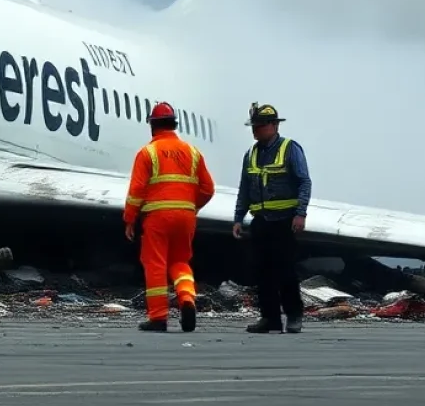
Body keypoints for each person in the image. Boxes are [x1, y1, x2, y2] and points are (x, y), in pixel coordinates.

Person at [124, 101, 216, 332]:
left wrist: (129, 218)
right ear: (174, 124)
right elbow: (208, 188)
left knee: (155, 264)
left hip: (157, 218)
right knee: (180, 261)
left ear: (153, 126)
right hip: (185, 218)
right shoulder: (193, 152)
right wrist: (190, 207)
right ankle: (187, 299)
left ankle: (158, 317)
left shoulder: (148, 153)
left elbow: (136, 192)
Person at [232, 102, 311, 334]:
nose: (256, 130)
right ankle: (270, 318)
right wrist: (238, 218)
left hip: (284, 221)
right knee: (262, 271)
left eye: (260, 125)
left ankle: (294, 316)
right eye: (254, 126)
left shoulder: (290, 148)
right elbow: (244, 188)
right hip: (261, 222)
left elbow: (304, 181)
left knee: (286, 270)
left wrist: (300, 213)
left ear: (274, 125)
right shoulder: (252, 154)